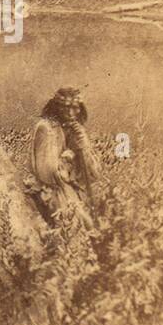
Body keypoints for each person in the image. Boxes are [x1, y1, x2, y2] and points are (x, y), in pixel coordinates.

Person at [29, 86, 100, 229]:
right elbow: (46, 172)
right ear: (57, 107)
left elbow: (94, 174)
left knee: (93, 224)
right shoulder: (46, 128)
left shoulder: (76, 130)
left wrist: (83, 146)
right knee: (78, 225)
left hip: (70, 189)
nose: (70, 112)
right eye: (66, 107)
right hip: (50, 190)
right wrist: (68, 159)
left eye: (75, 108)